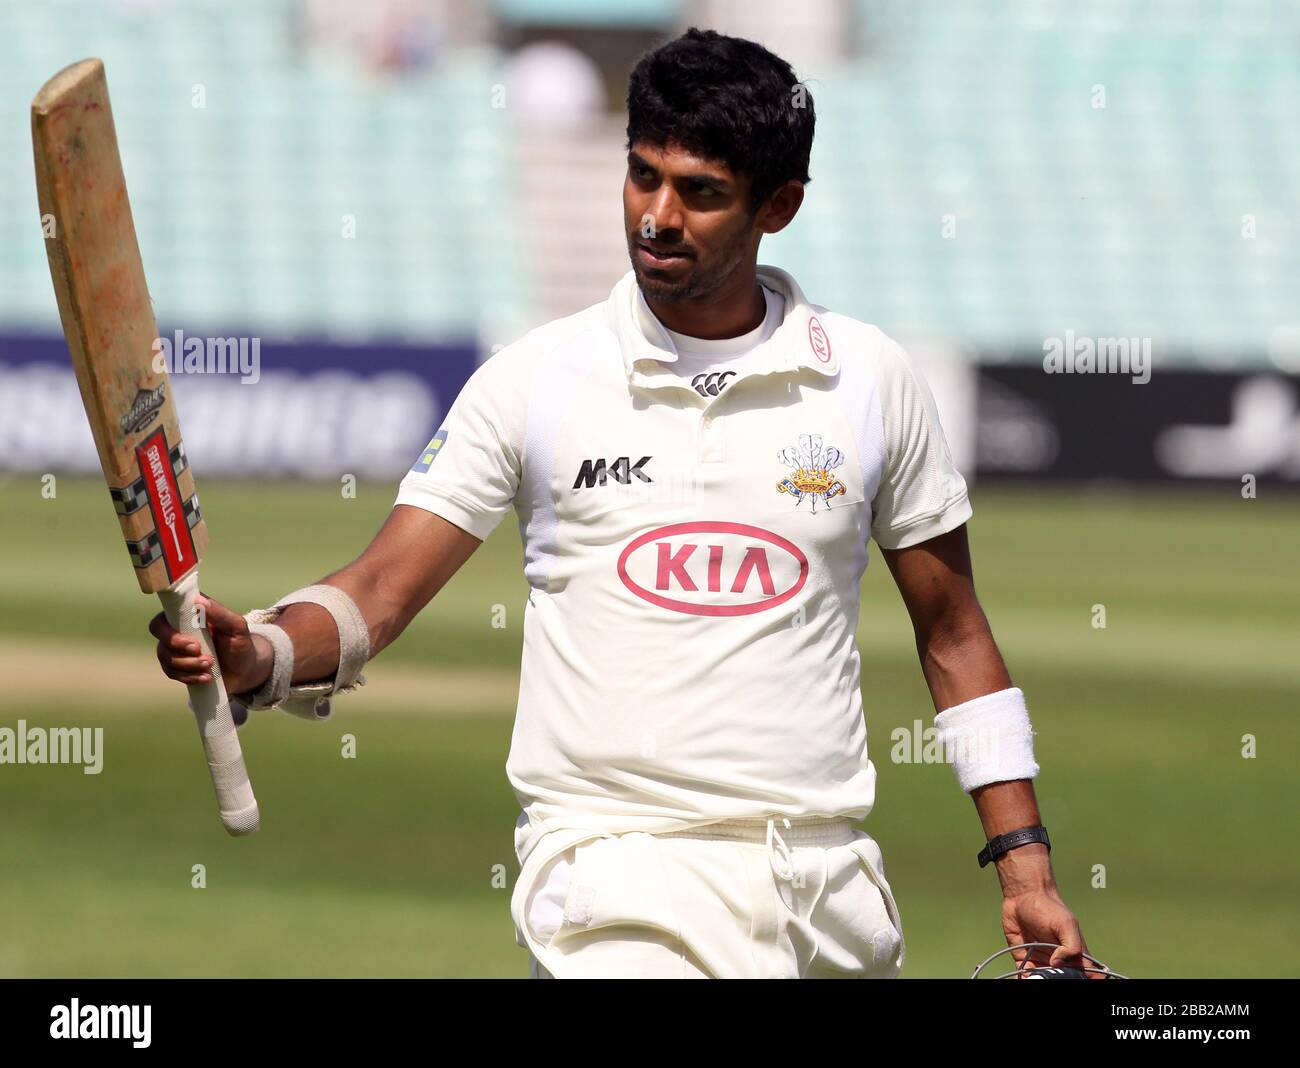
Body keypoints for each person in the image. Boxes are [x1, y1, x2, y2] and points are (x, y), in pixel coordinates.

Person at [151, 27, 1091, 979]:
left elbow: (954, 634)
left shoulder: (869, 380)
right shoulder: (536, 378)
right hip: (616, 882)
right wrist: (263, 652)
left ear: (781, 205)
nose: (657, 215)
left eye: (701, 192)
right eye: (643, 176)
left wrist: (1024, 864)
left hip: (827, 897)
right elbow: (380, 589)